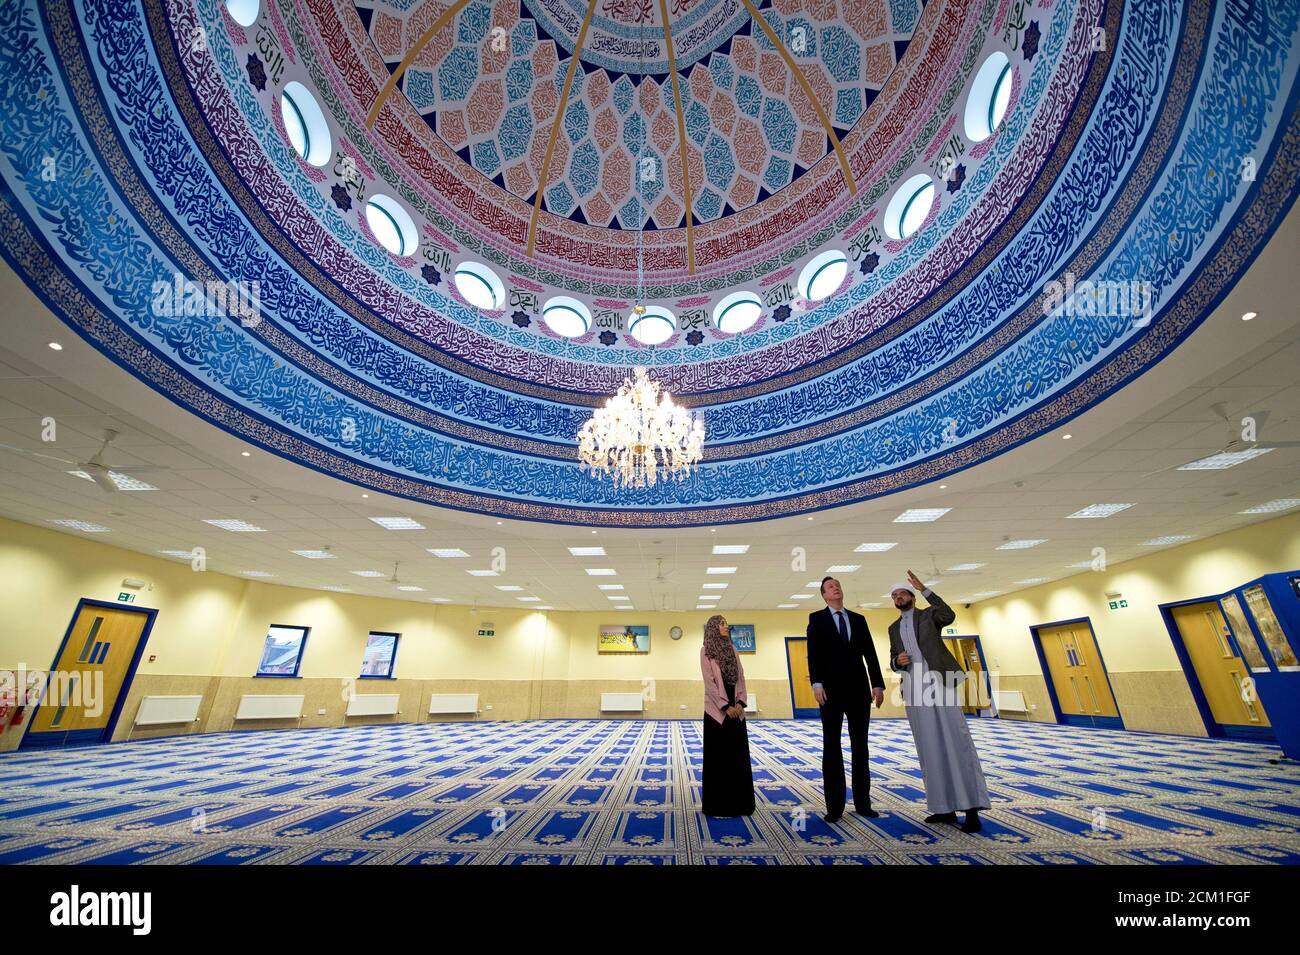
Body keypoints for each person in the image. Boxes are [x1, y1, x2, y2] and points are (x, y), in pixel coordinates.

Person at [888, 570, 991, 833]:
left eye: (902, 593)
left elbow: (949, 614)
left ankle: (971, 809)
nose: (898, 597)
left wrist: (925, 589)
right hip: (913, 687)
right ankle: (943, 807)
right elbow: (893, 656)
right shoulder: (893, 628)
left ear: (911, 597)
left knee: (955, 741)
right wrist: (896, 662)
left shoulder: (929, 615)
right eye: (894, 596)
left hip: (939, 682)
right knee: (929, 746)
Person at [807, 576, 885, 822]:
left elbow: (870, 653)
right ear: (824, 595)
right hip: (829, 692)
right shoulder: (816, 619)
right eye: (830, 587)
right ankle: (835, 807)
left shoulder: (858, 619)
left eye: (838, 585)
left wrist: (878, 683)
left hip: (859, 691)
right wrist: (816, 683)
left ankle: (863, 803)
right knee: (832, 747)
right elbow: (814, 653)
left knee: (860, 747)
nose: (836, 588)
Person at [700, 614, 755, 817]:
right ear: (714, 628)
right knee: (720, 761)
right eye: (722, 624)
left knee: (737, 759)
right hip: (717, 714)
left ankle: (742, 804)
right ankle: (719, 805)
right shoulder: (706, 652)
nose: (726, 626)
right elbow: (710, 683)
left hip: (737, 712)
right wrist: (725, 706)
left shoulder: (733, 649)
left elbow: (741, 677)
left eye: (726, 623)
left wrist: (740, 702)